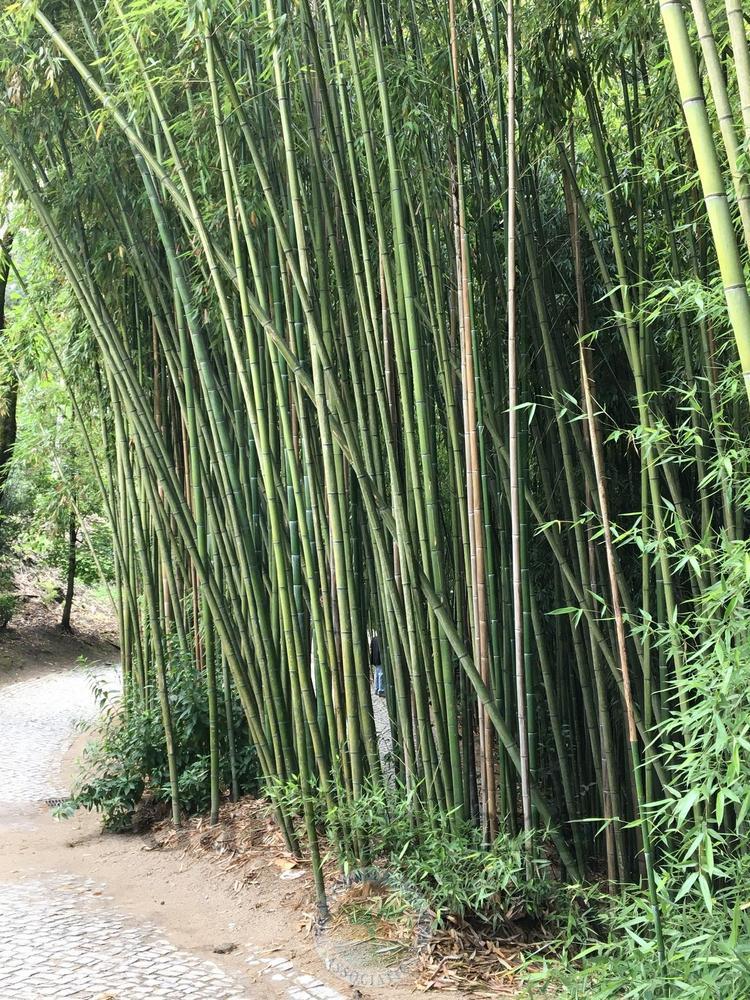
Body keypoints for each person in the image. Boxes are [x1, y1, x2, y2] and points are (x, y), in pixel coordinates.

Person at [370, 632, 385, 697]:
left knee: (376, 674)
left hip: (375, 659)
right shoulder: (382, 639)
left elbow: (371, 649)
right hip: (380, 659)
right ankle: (381, 690)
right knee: (381, 674)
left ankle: (376, 689)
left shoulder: (374, 639)